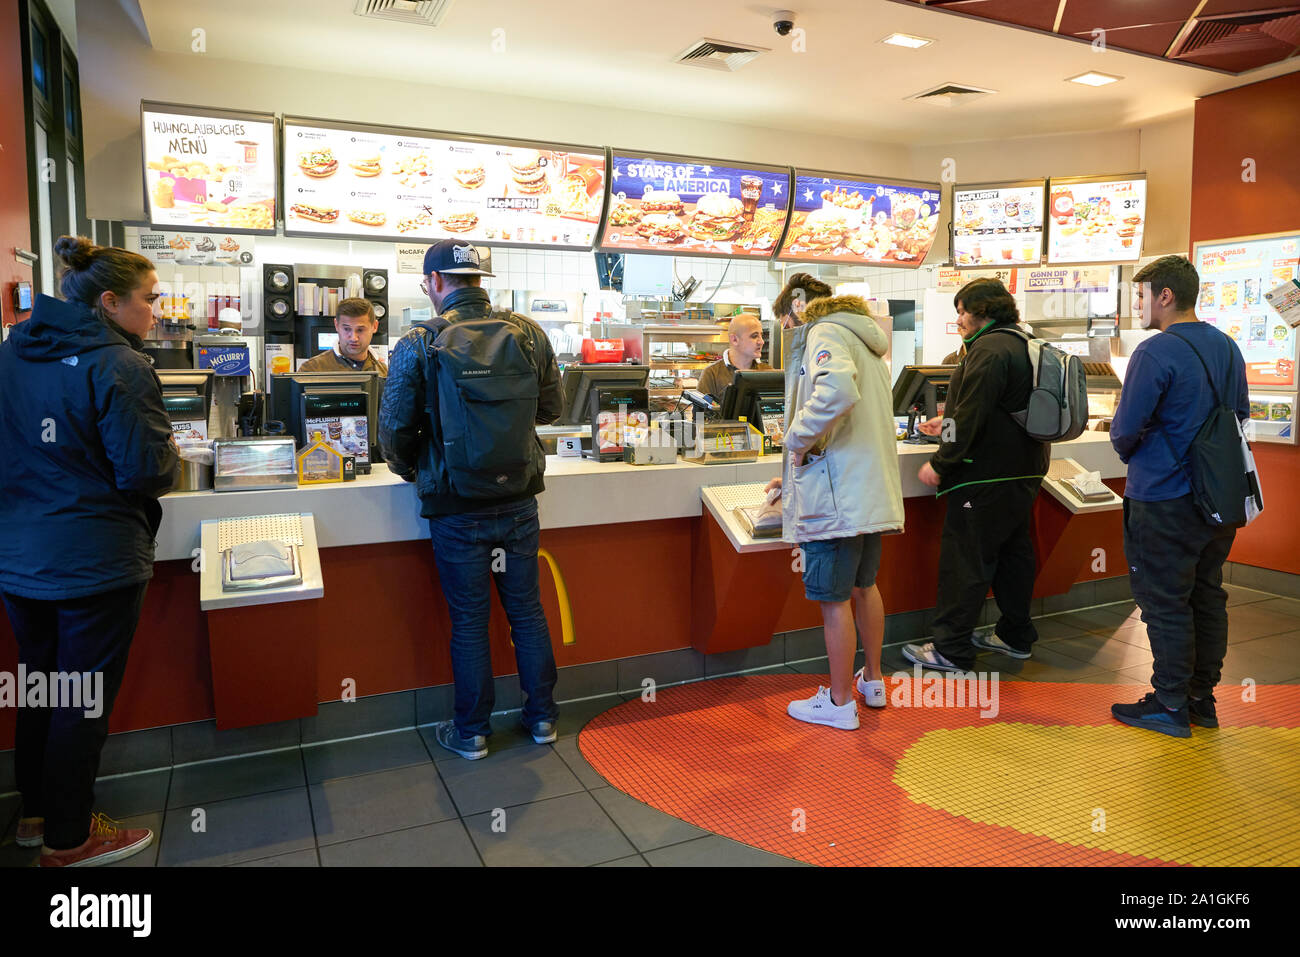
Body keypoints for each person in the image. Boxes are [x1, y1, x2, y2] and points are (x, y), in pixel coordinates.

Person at [0, 236, 178, 866]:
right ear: (109, 302)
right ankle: (70, 839)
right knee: (81, 698)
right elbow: (145, 471)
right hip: (93, 560)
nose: (154, 312)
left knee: (41, 684)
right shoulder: (120, 365)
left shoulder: (12, 352)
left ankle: (38, 813)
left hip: (19, 557)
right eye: (148, 300)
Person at [380, 240, 564, 760]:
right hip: (520, 497)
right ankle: (543, 719)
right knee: (527, 611)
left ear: (436, 283)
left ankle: (472, 732)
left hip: (456, 505)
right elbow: (552, 409)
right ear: (479, 280)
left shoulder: (420, 342)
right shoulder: (528, 332)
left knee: (469, 620)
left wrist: (416, 470)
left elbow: (394, 429)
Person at [1108, 255, 1248, 738]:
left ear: (1164, 296)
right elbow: (1240, 416)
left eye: (1142, 295)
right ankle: (1199, 699)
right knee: (1206, 593)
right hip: (1218, 497)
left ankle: (1168, 704)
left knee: (1164, 601)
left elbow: (1124, 431)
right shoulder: (1227, 346)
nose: (1138, 305)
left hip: (1163, 496)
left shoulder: (1155, 351)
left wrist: (1134, 446)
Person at [765, 293, 904, 729]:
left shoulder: (824, 332)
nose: (786, 331)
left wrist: (796, 439)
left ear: (797, 313)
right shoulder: (866, 340)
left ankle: (840, 702)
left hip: (836, 494)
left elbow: (837, 390)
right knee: (866, 585)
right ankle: (873, 681)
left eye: (785, 323)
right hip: (866, 487)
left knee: (833, 599)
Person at [902, 278, 1049, 673]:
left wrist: (941, 462)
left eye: (963, 311)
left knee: (965, 561)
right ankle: (1016, 635)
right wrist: (943, 421)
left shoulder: (986, 349)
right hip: (1024, 472)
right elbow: (986, 411)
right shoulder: (1022, 343)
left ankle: (951, 648)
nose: (960, 320)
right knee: (1014, 557)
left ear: (983, 311)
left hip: (982, 478)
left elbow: (970, 418)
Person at [297, 297, 388, 374]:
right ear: (336, 325)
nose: (353, 338)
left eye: (360, 330)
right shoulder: (312, 370)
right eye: (347, 329)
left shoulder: (384, 373)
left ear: (375, 326)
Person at [695, 312, 771, 401]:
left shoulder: (768, 373)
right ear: (734, 339)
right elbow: (698, 413)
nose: (761, 342)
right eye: (754, 336)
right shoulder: (711, 374)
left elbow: (778, 410)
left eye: (761, 335)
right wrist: (699, 415)